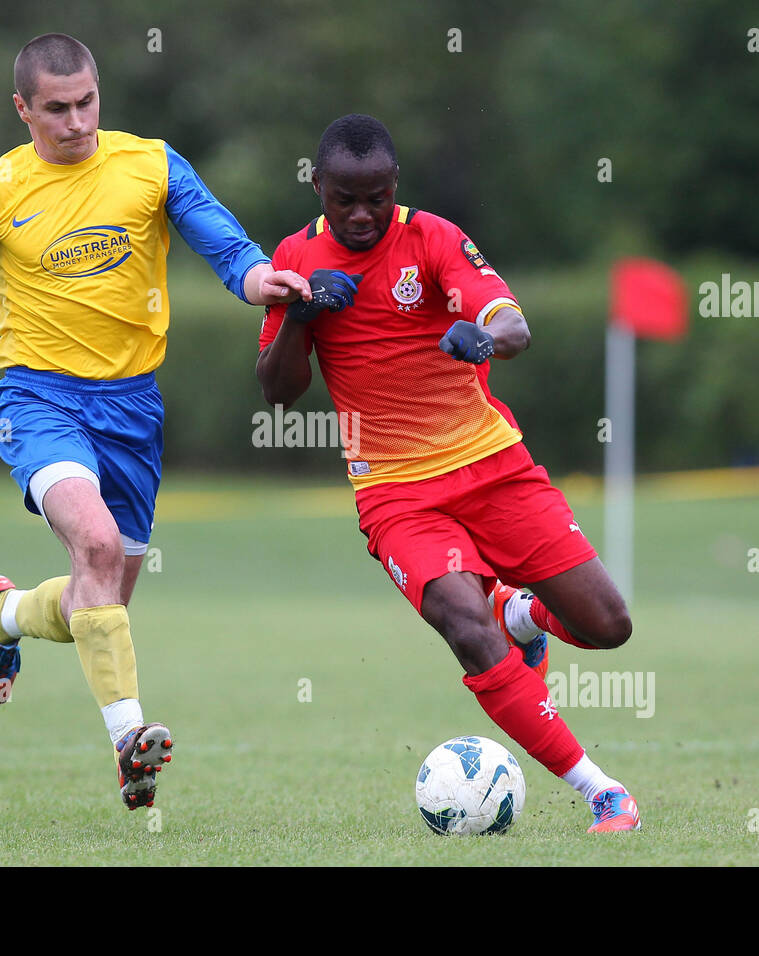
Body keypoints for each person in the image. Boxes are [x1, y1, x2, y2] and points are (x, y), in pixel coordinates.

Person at [0, 33, 309, 811]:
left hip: (133, 409)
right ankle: (129, 744)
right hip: (39, 400)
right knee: (96, 545)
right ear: (23, 110)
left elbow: (230, 249)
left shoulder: (152, 166)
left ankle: (2, 612)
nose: (76, 122)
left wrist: (265, 280)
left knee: (95, 602)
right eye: (57, 109)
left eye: (87, 102)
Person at [256, 114, 642, 832]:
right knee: (465, 626)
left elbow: (514, 325)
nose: (363, 213)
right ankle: (603, 791)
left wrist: (480, 336)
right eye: (346, 199)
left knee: (609, 626)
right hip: (395, 493)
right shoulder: (293, 257)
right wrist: (303, 314)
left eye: (377, 196)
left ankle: (521, 612)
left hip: (494, 468)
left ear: (395, 185)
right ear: (318, 188)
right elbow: (278, 392)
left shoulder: (432, 236)